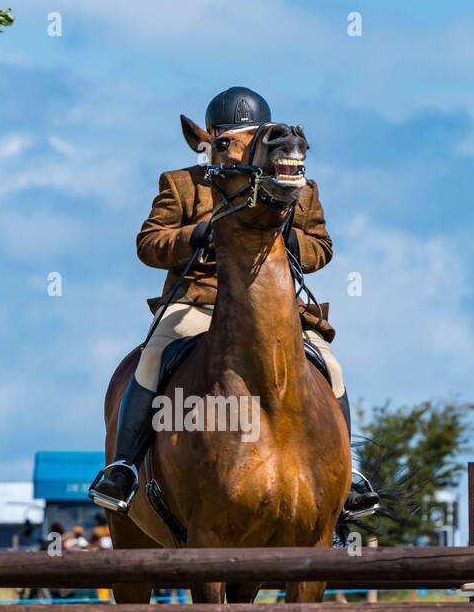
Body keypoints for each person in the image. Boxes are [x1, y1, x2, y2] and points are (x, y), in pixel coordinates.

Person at [87, 86, 378, 521]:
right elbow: (148, 244)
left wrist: (290, 242)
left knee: (330, 365)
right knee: (152, 359)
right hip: (199, 304)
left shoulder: (298, 188)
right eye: (231, 140)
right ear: (210, 143)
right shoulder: (183, 183)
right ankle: (124, 467)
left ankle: (348, 475)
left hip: (274, 310)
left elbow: (323, 247)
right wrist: (194, 236)